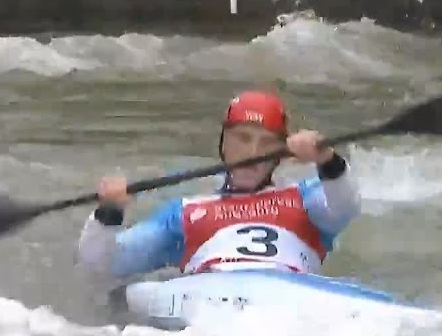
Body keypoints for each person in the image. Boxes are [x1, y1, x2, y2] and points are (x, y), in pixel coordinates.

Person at [75, 90, 361, 281]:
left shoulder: (307, 199)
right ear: (223, 142)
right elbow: (102, 265)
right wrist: (108, 213)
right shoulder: (185, 213)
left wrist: (327, 159)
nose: (253, 153)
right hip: (212, 308)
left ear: (282, 153)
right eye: (243, 139)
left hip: (291, 301)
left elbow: (345, 207)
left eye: (266, 143)